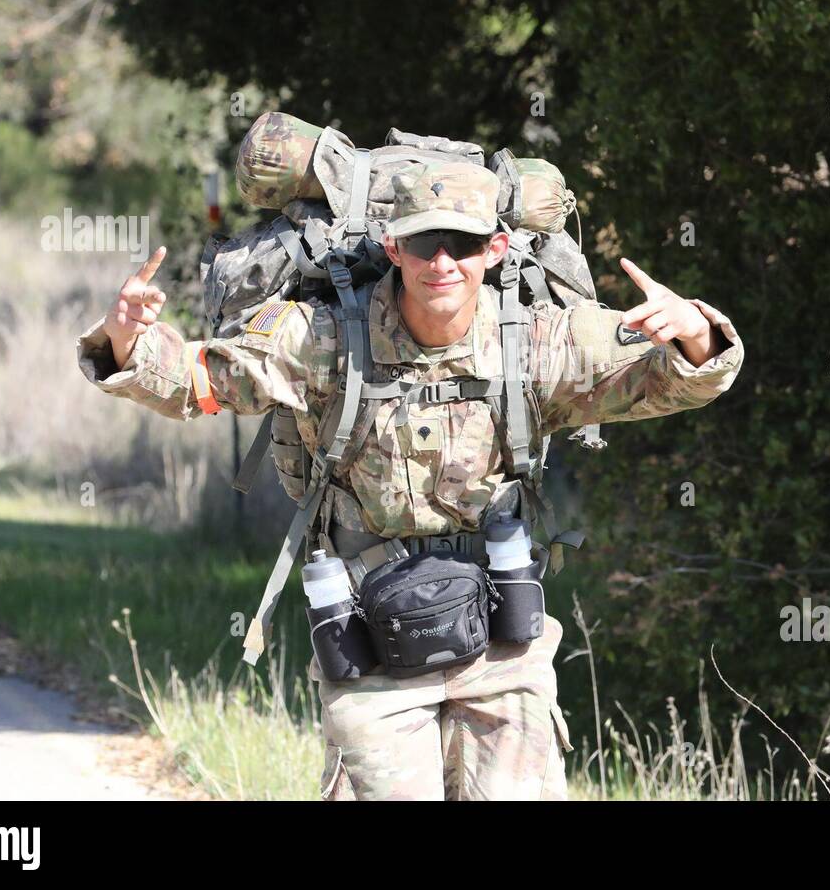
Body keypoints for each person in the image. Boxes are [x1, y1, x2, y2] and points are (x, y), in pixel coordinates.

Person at [77, 160, 744, 800]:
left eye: (463, 242)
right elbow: (200, 381)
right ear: (393, 246)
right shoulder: (324, 339)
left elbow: (669, 380)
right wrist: (126, 341)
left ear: (497, 248)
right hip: (369, 637)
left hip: (502, 635)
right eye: (425, 242)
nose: (442, 262)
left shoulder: (537, 342)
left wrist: (694, 334)